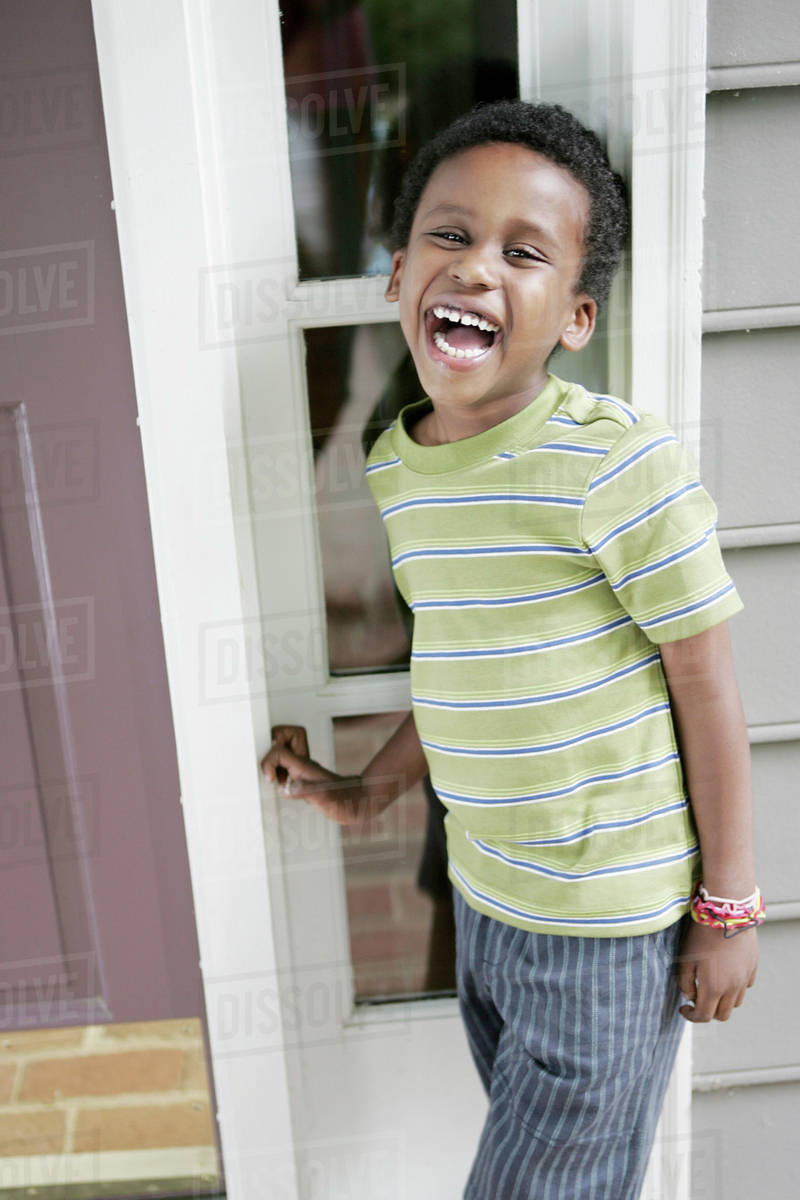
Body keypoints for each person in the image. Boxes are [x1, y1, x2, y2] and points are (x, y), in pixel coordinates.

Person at [261, 99, 762, 1199]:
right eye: (448, 234)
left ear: (576, 317)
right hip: (487, 904)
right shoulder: (399, 466)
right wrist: (371, 789)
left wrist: (727, 909)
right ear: (399, 275)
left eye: (522, 252)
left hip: (605, 931)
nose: (475, 266)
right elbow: (464, 664)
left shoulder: (615, 466)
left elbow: (707, 689)